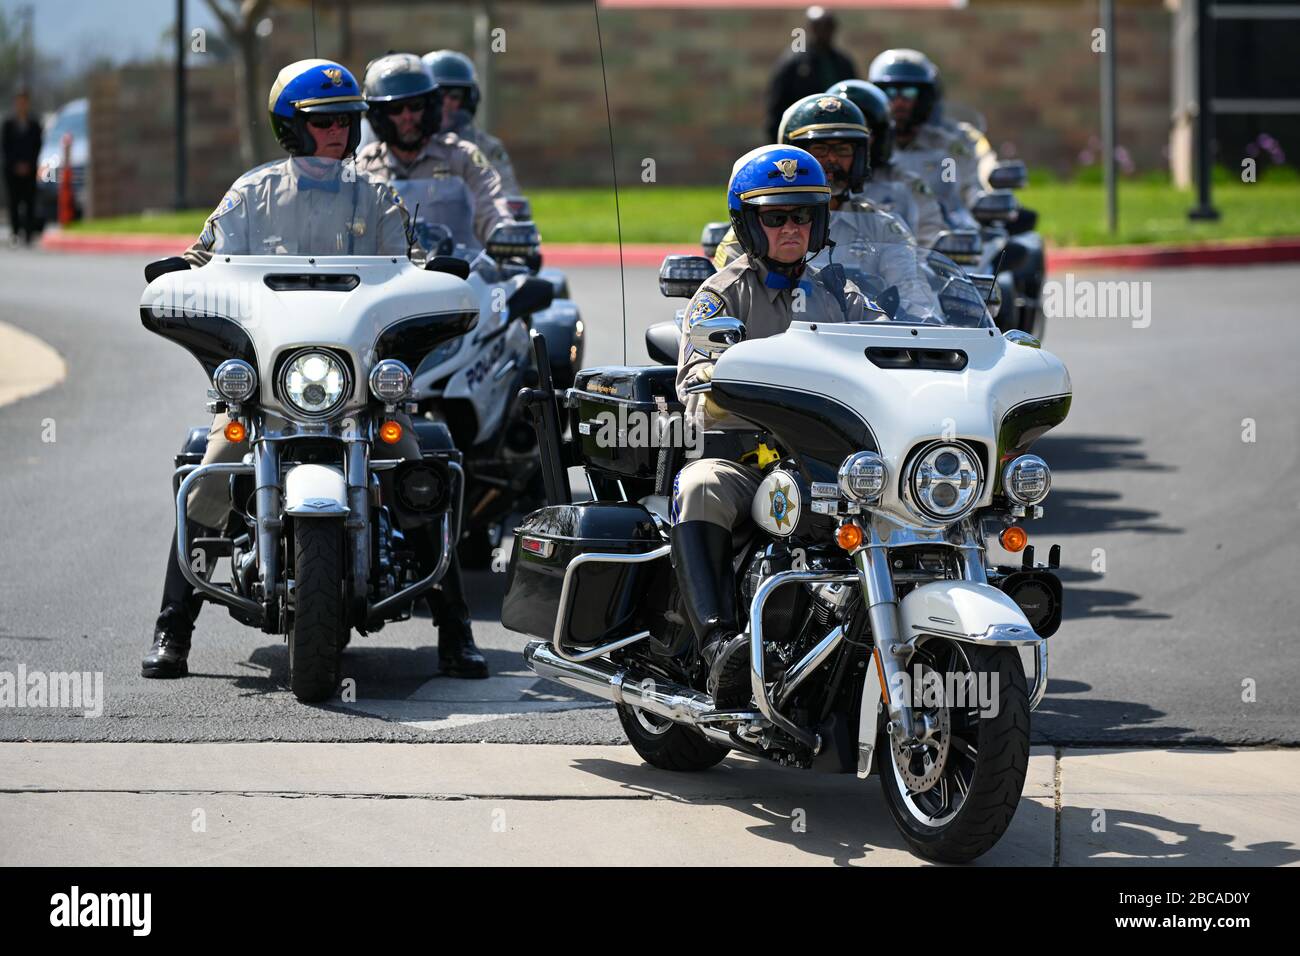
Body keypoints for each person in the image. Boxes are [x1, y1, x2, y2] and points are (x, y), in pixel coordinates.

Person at [144, 59, 486, 680]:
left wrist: (435, 277)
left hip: (357, 390)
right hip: (269, 392)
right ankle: (172, 629)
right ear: (291, 129)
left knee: (417, 476)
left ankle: (456, 631)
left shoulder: (376, 197)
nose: (337, 132)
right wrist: (179, 274)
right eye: (322, 121)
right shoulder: (251, 194)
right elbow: (206, 255)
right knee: (213, 474)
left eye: (345, 120)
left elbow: (407, 264)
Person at [672, 145, 870, 707]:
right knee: (700, 486)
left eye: (803, 215)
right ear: (749, 224)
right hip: (749, 463)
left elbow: (889, 348)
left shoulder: (841, 294)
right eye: (775, 217)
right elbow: (697, 388)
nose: (791, 228)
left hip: (835, 466)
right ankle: (717, 648)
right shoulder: (721, 294)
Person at [712, 97, 941, 321]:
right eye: (819, 150)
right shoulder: (749, 234)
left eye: (843, 150)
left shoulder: (883, 227)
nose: (832, 160)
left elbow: (913, 296)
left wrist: (921, 327)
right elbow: (728, 299)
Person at [355, 52, 512, 251]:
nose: (407, 117)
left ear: (430, 107)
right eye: (396, 109)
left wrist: (503, 231)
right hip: (388, 278)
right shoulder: (365, 165)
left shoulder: (462, 156)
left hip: (458, 273)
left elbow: (490, 204)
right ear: (379, 115)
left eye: (415, 106)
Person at [867, 49, 986, 226]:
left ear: (924, 98)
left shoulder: (949, 146)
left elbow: (969, 193)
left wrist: (986, 205)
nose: (899, 101)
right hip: (877, 239)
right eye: (890, 92)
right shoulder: (865, 147)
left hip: (941, 239)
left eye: (909, 92)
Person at [826, 79, 947, 246]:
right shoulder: (805, 187)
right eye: (836, 137)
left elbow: (928, 242)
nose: (833, 157)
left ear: (880, 137)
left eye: (862, 134)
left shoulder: (908, 185)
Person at [423, 49, 521, 195]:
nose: (446, 103)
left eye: (454, 96)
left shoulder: (486, 148)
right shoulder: (405, 146)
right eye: (438, 95)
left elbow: (507, 196)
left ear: (467, 101)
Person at [764, 5, 857, 143]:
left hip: (838, 131)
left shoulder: (842, 62)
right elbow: (777, 105)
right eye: (819, 26)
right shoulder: (794, 63)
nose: (823, 32)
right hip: (803, 133)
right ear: (810, 28)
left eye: (828, 26)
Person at [2, 90, 42, 246]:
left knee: (30, 201)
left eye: (24, 101)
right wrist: (15, 165)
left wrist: (28, 165)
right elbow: (5, 148)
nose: (22, 105)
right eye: (19, 101)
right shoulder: (8, 124)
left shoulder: (34, 124)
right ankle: (15, 233)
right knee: (14, 202)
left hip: (30, 169)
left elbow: (37, 146)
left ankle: (28, 234)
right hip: (12, 170)